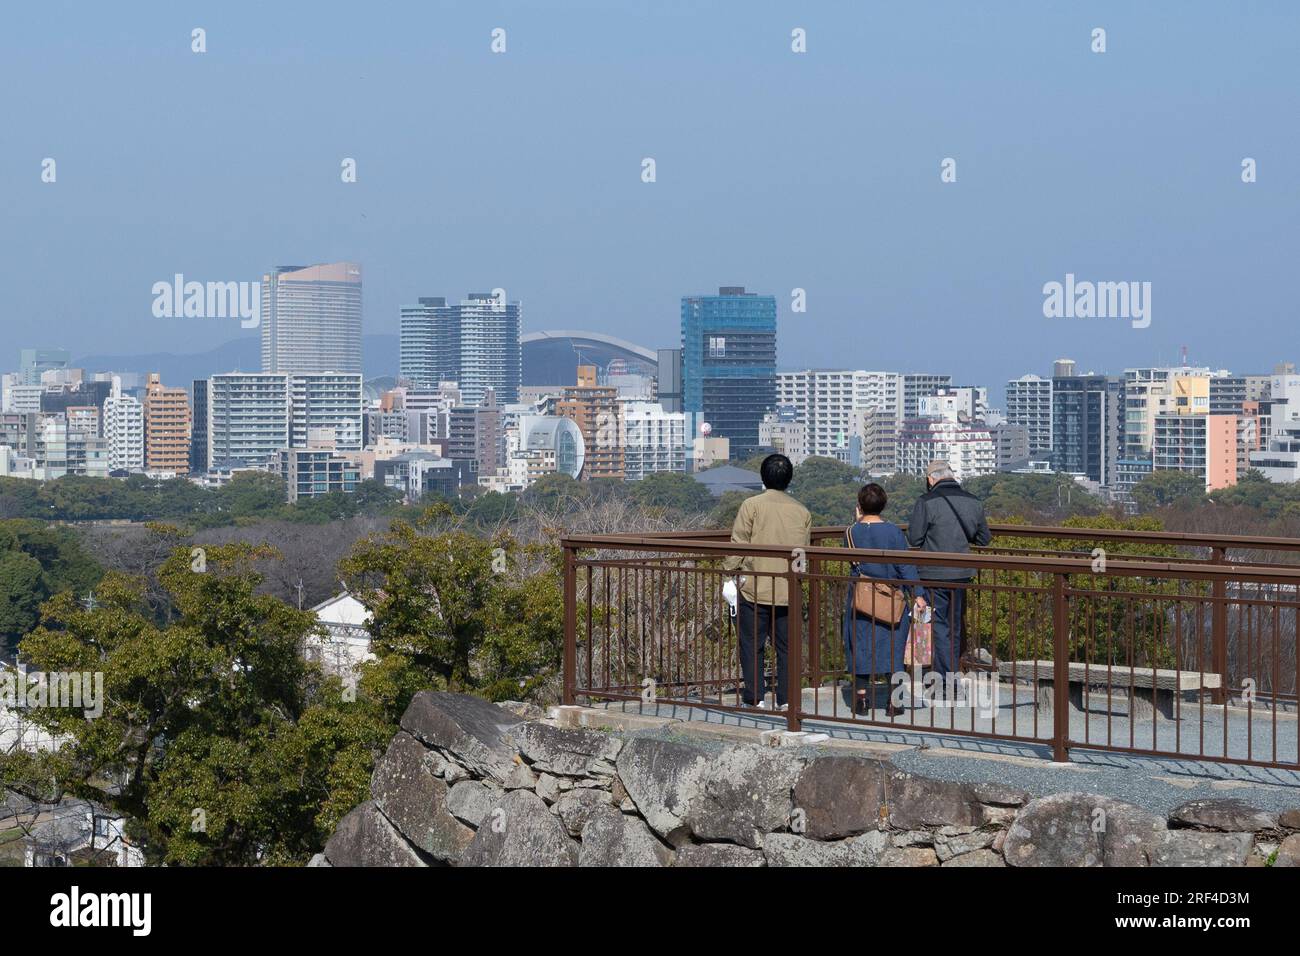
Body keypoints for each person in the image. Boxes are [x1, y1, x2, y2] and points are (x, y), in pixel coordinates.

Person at [723, 454, 811, 711]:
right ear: (789, 478)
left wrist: (729, 572)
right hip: (788, 588)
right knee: (787, 647)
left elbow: (739, 543)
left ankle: (755, 697)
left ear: (763, 477)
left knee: (752, 644)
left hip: (755, 585)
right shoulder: (802, 511)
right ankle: (786, 699)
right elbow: (802, 552)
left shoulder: (751, 505)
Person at [906, 460, 992, 690]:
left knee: (940, 626)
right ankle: (951, 677)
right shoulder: (973, 501)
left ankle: (944, 681)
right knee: (954, 625)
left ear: (931, 479)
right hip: (962, 573)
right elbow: (984, 538)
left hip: (934, 573)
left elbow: (914, 539)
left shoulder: (927, 502)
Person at [842, 483, 922, 717]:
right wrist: (918, 594)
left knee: (861, 647)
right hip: (890, 600)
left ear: (859, 505)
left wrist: (857, 521)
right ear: (884, 504)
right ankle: (893, 703)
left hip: (860, 599)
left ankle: (861, 701)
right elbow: (905, 567)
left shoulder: (851, 533)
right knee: (893, 650)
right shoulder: (894, 532)